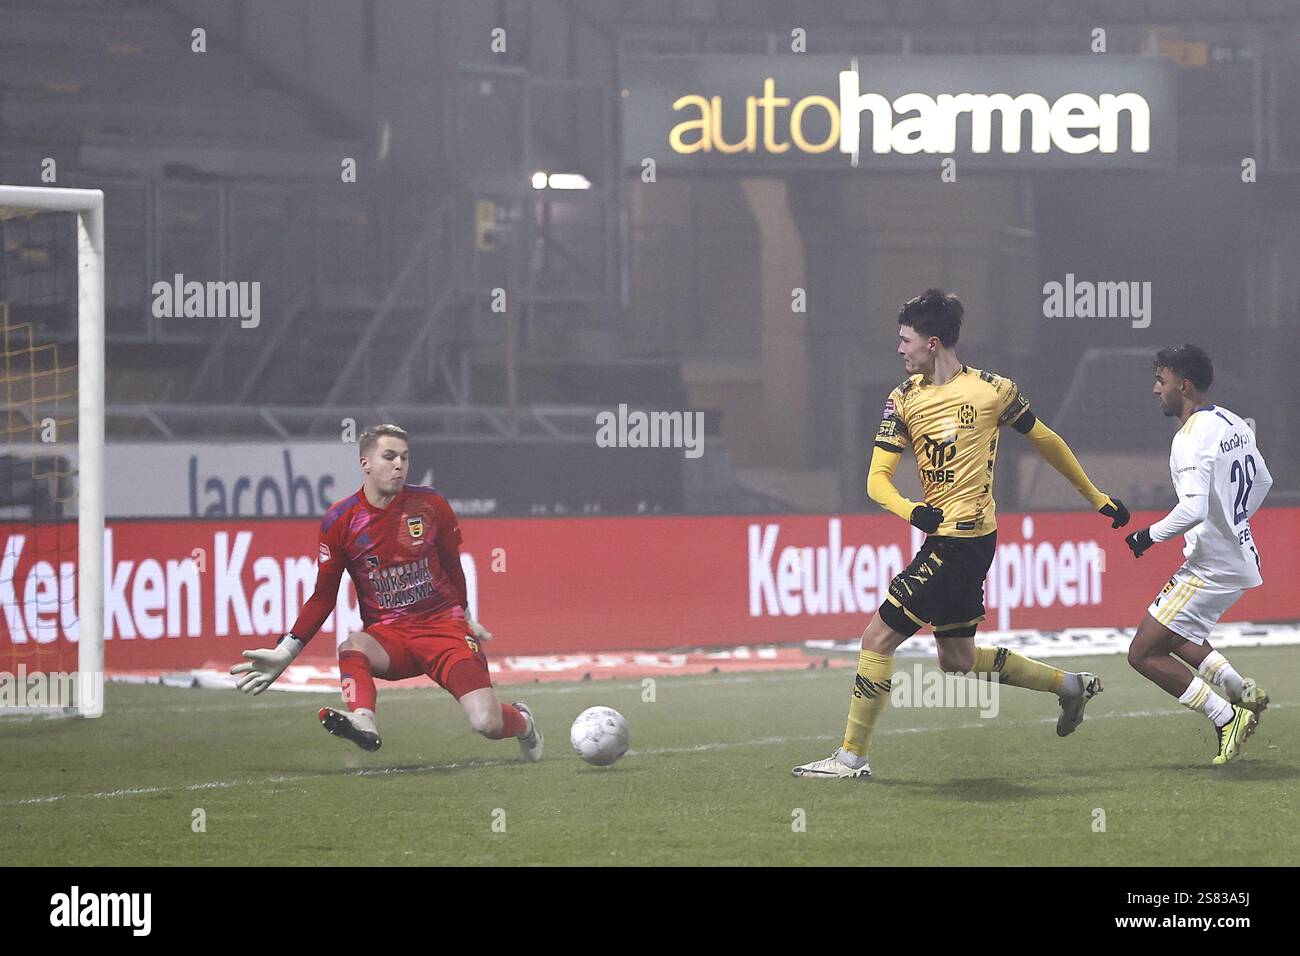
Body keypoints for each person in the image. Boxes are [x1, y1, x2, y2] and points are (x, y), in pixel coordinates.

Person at [793, 289, 1129, 779]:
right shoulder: (903, 399)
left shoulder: (993, 391)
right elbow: (875, 481)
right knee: (956, 657)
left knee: (877, 637)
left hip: (963, 542)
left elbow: (1048, 443)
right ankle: (1069, 686)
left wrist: (1097, 497)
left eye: (905, 340)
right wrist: (913, 511)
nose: (898, 349)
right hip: (947, 539)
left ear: (933, 343)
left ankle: (850, 758)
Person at [230, 423, 542, 761]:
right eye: (389, 457)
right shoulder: (341, 520)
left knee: (487, 723)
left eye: (405, 458)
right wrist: (285, 652)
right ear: (365, 463)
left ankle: (522, 721)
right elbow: (323, 596)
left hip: (443, 630)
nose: (399, 465)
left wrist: (465, 615)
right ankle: (364, 720)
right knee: (352, 645)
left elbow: (453, 565)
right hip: (391, 638)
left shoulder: (430, 505)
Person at [1123, 344, 1271, 765]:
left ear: (1183, 385)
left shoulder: (1188, 439)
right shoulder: (1232, 422)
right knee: (1180, 635)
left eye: (1161, 380)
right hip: (1239, 557)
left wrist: (1147, 537)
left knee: (1143, 653)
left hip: (1211, 565)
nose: (1156, 390)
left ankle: (1226, 718)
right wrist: (1233, 520)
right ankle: (1244, 693)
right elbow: (1262, 480)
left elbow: (1191, 509)